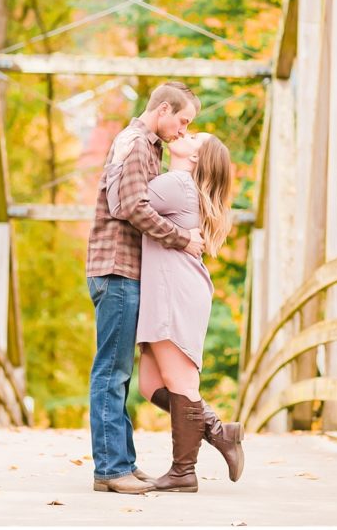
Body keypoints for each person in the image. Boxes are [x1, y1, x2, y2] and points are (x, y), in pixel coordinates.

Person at [107, 130, 244, 493]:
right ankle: (218, 430)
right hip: (170, 290)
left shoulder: (176, 183)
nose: (185, 132)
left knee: (181, 384)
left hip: (173, 293)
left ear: (196, 158)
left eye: (194, 136)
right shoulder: (181, 186)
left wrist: (118, 161)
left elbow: (123, 204)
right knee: (152, 385)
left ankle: (183, 472)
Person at [85, 82, 205, 495]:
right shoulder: (137, 144)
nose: (183, 130)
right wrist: (183, 238)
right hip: (118, 271)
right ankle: (110, 469)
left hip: (125, 273)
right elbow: (134, 206)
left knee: (119, 371)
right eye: (183, 120)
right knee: (111, 372)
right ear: (164, 109)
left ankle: (123, 462)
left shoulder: (143, 145)